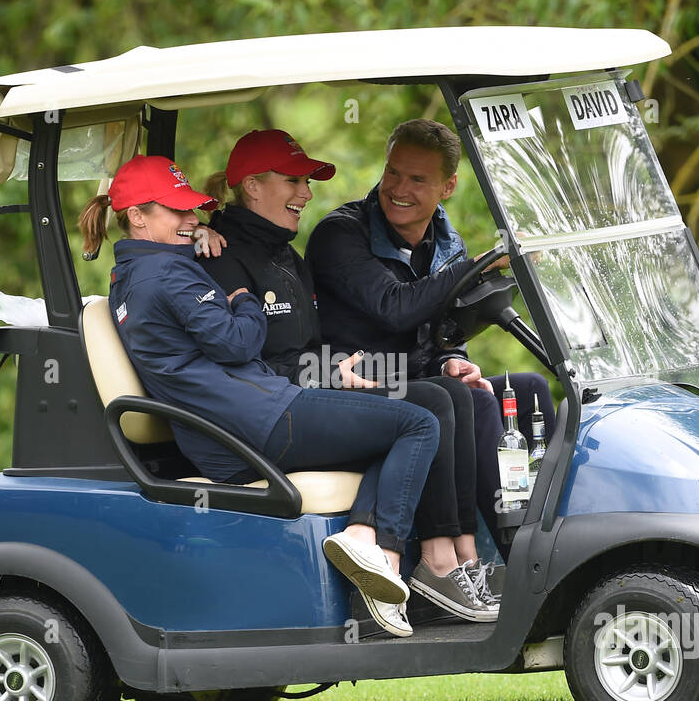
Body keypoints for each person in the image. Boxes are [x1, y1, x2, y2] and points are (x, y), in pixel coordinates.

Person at [78, 154, 439, 638]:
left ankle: (363, 539)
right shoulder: (170, 275)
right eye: (178, 213)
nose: (192, 221)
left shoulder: (132, 273)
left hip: (241, 423)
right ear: (138, 216)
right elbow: (241, 340)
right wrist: (243, 296)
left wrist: (195, 242)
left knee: (402, 415)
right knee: (419, 420)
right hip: (258, 420)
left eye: (193, 211)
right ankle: (387, 562)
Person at [198, 130, 499, 630]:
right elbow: (238, 355)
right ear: (252, 186)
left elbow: (310, 341)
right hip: (275, 403)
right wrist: (197, 231)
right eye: (294, 181)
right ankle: (428, 561)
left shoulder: (285, 256)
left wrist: (444, 357)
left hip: (318, 378)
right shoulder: (223, 253)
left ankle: (461, 559)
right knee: (426, 410)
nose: (307, 194)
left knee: (448, 391)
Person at [307, 119, 553, 570]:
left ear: (448, 186)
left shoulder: (446, 243)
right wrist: (474, 267)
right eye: (393, 173)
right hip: (351, 385)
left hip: (418, 380)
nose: (398, 188)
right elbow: (394, 307)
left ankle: (538, 538)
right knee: (458, 401)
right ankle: (493, 559)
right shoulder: (341, 234)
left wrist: (453, 361)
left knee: (528, 387)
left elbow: (444, 330)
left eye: (418, 179)